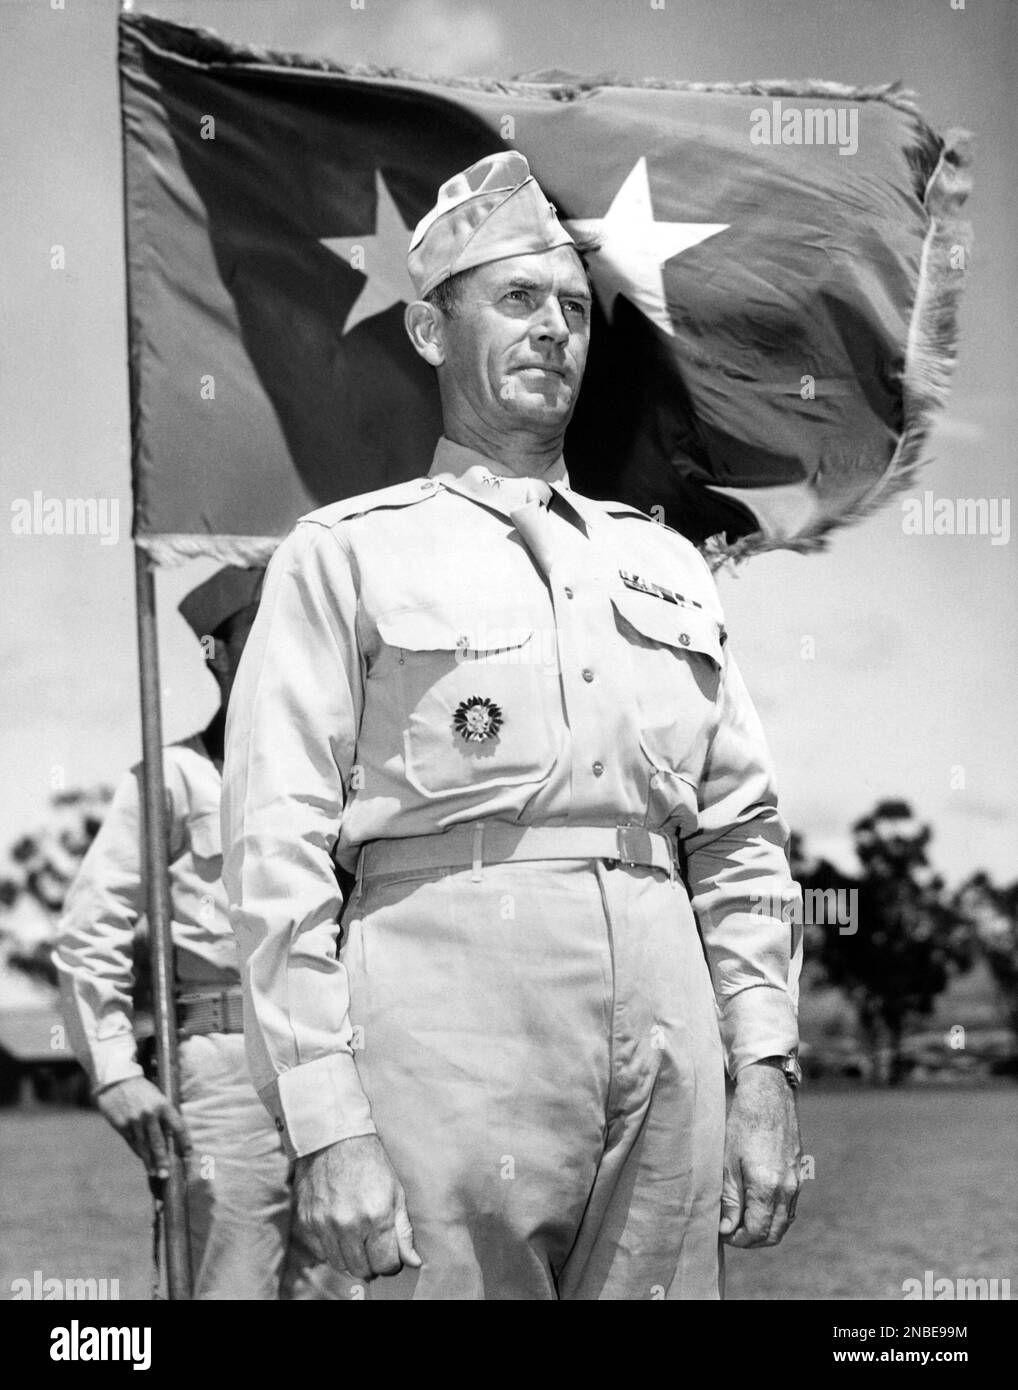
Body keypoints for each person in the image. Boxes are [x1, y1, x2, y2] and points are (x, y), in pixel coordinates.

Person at [222, 152, 804, 1301]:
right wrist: (327, 1119)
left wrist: (766, 1063)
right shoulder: (346, 553)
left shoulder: (667, 563)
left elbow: (740, 835)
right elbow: (273, 850)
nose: (554, 331)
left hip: (671, 1036)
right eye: (518, 300)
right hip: (444, 1032)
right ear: (434, 333)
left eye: (575, 309)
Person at [56, 566, 349, 1300]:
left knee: (341, 1284)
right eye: (255, 636)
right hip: (222, 1069)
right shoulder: (174, 777)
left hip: (338, 1062)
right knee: (230, 1283)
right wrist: (116, 1071)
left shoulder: (346, 777)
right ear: (215, 654)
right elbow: (92, 926)